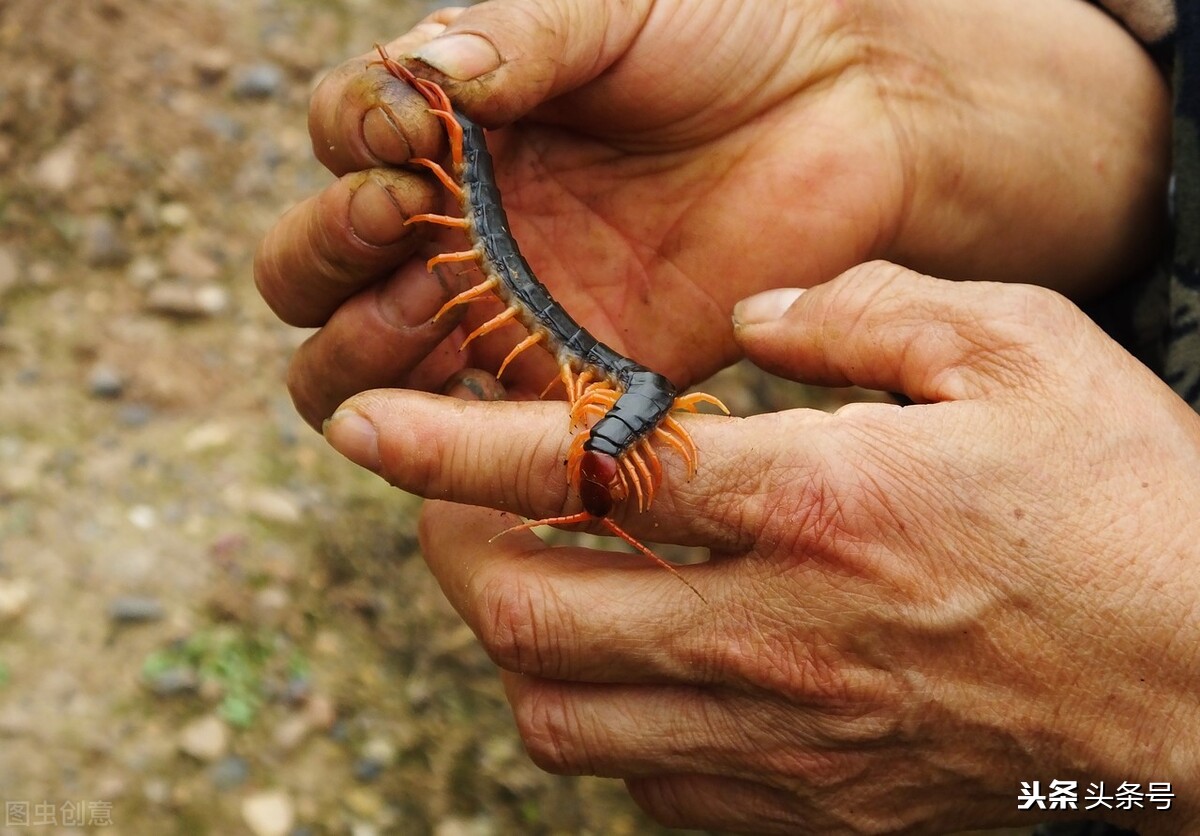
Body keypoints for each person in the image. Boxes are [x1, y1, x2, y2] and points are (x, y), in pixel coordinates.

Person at [255, 1, 1199, 832]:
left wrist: (1171, 735)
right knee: (447, 231)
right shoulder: (625, 386)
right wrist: (899, 97)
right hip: (564, 301)